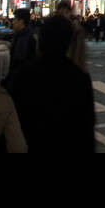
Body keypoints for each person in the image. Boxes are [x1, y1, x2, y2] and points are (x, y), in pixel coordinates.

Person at [11, 15, 95, 153]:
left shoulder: (24, 75)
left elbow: (14, 123)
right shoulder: (79, 78)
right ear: (68, 42)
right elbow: (86, 129)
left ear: (41, 39)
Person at [7, 8, 36, 89]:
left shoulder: (25, 37)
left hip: (21, 80)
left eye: (15, 19)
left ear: (21, 21)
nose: (13, 22)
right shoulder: (19, 35)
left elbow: (19, 60)